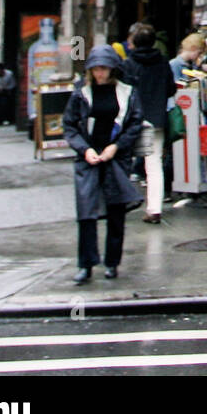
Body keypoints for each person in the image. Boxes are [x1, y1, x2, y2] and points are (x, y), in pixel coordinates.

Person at [62, 45, 144, 283]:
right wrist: (85, 150)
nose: (100, 73)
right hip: (88, 158)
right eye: (96, 69)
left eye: (104, 69)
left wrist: (115, 148)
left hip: (115, 157)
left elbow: (134, 124)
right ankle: (86, 264)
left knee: (116, 211)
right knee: (86, 212)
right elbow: (69, 126)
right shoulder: (80, 93)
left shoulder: (128, 92)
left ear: (113, 69)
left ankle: (112, 263)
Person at [119, 23, 175, 225]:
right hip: (156, 119)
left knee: (123, 161)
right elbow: (170, 89)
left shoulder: (128, 64)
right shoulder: (162, 62)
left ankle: (121, 201)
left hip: (134, 119)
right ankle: (154, 209)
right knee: (154, 165)